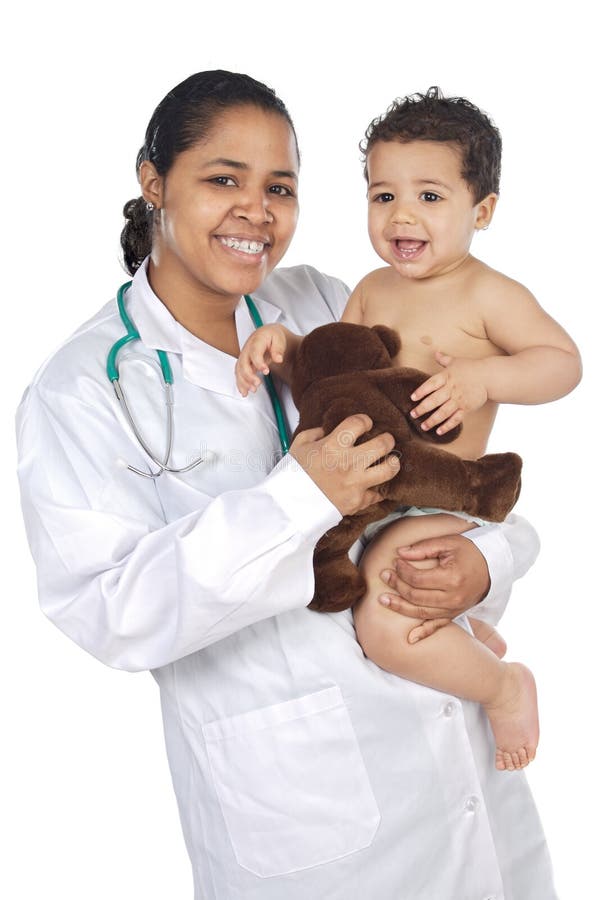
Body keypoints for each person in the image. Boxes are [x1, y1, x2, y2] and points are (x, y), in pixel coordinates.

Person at [16, 72, 556, 900]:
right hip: (311, 828)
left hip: (472, 771)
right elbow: (112, 612)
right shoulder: (83, 391)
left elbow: (449, 474)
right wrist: (303, 497)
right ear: (153, 182)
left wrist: (489, 564)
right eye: (222, 179)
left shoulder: (329, 303)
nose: (255, 210)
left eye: (280, 187)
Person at [235, 87, 582, 773]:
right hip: (367, 497)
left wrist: (484, 378)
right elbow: (340, 373)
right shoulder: (370, 287)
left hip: (436, 497)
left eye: (430, 196)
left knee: (385, 623)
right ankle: (468, 639)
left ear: (481, 210)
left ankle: (503, 685)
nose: (402, 216)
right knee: (349, 596)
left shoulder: (488, 294)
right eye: (382, 195)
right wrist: (284, 346)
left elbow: (563, 364)